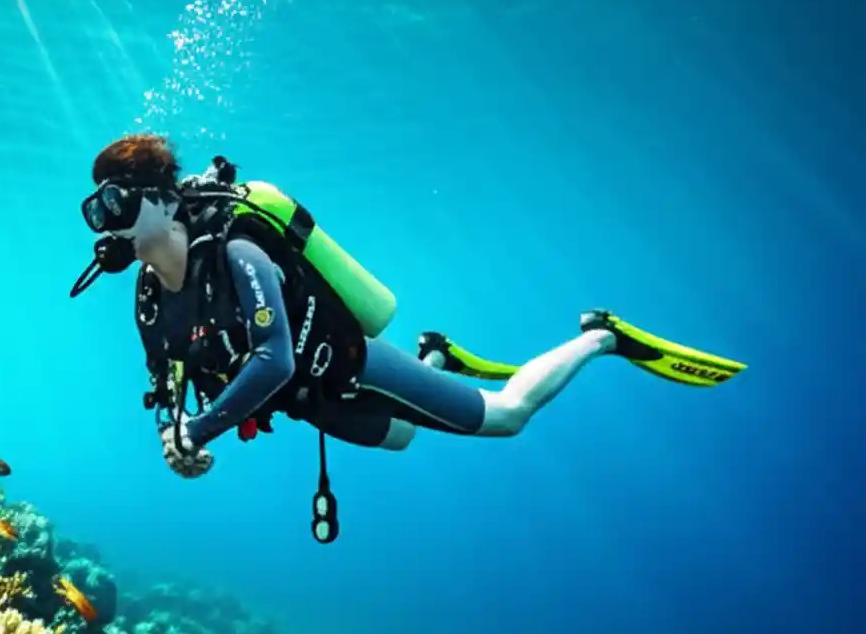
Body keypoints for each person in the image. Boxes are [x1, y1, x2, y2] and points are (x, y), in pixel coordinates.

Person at [69, 134, 746, 542]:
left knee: (505, 417)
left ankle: (602, 336)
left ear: (158, 198)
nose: (105, 225)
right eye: (95, 210)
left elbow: (274, 358)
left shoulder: (236, 252)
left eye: (116, 204)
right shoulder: (151, 296)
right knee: (404, 437)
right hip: (309, 403)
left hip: (347, 367)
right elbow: (171, 382)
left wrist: (203, 430)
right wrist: (177, 435)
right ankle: (438, 356)